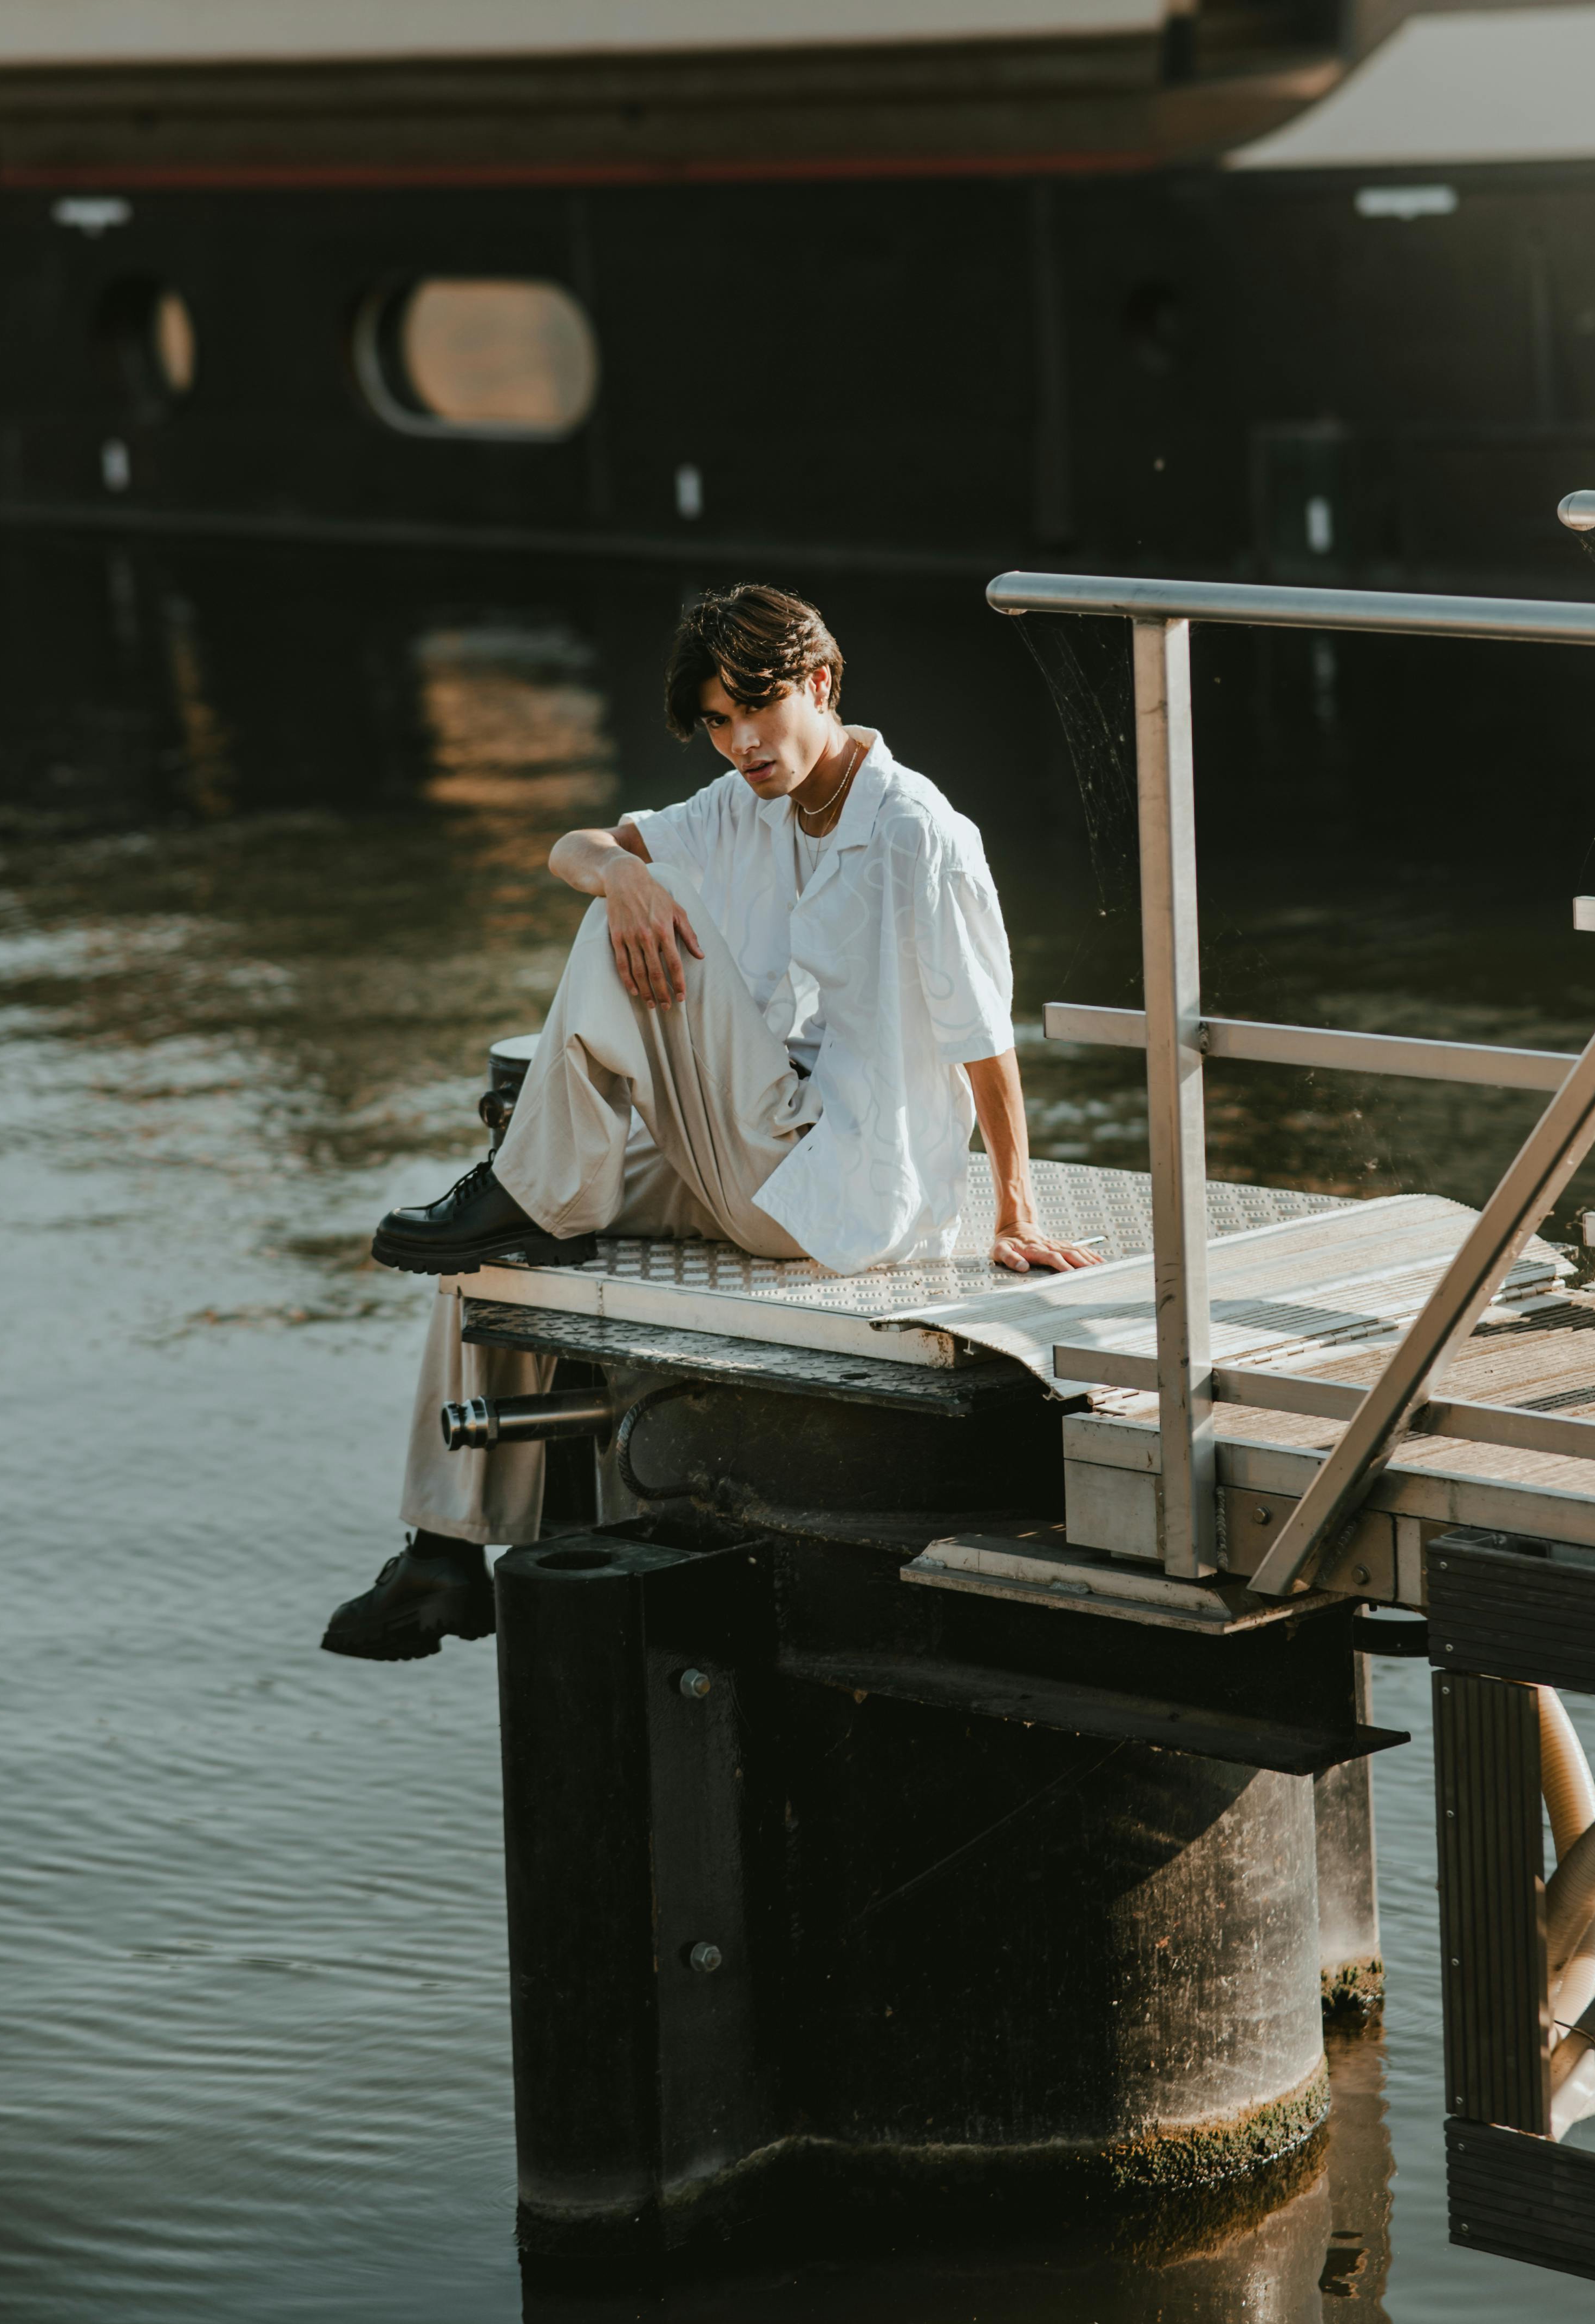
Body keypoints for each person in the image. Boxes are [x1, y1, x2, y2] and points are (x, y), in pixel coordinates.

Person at [321, 583, 1093, 1661]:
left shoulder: (920, 833)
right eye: (718, 724)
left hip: (839, 1187)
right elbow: (577, 845)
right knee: (495, 1256)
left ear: (820, 684)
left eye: (754, 713)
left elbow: (984, 1037)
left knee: (623, 935)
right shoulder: (744, 804)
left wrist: (1014, 1204)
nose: (739, 744)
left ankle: (526, 1190)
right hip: (750, 1156)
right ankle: (442, 1555)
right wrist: (617, 871)